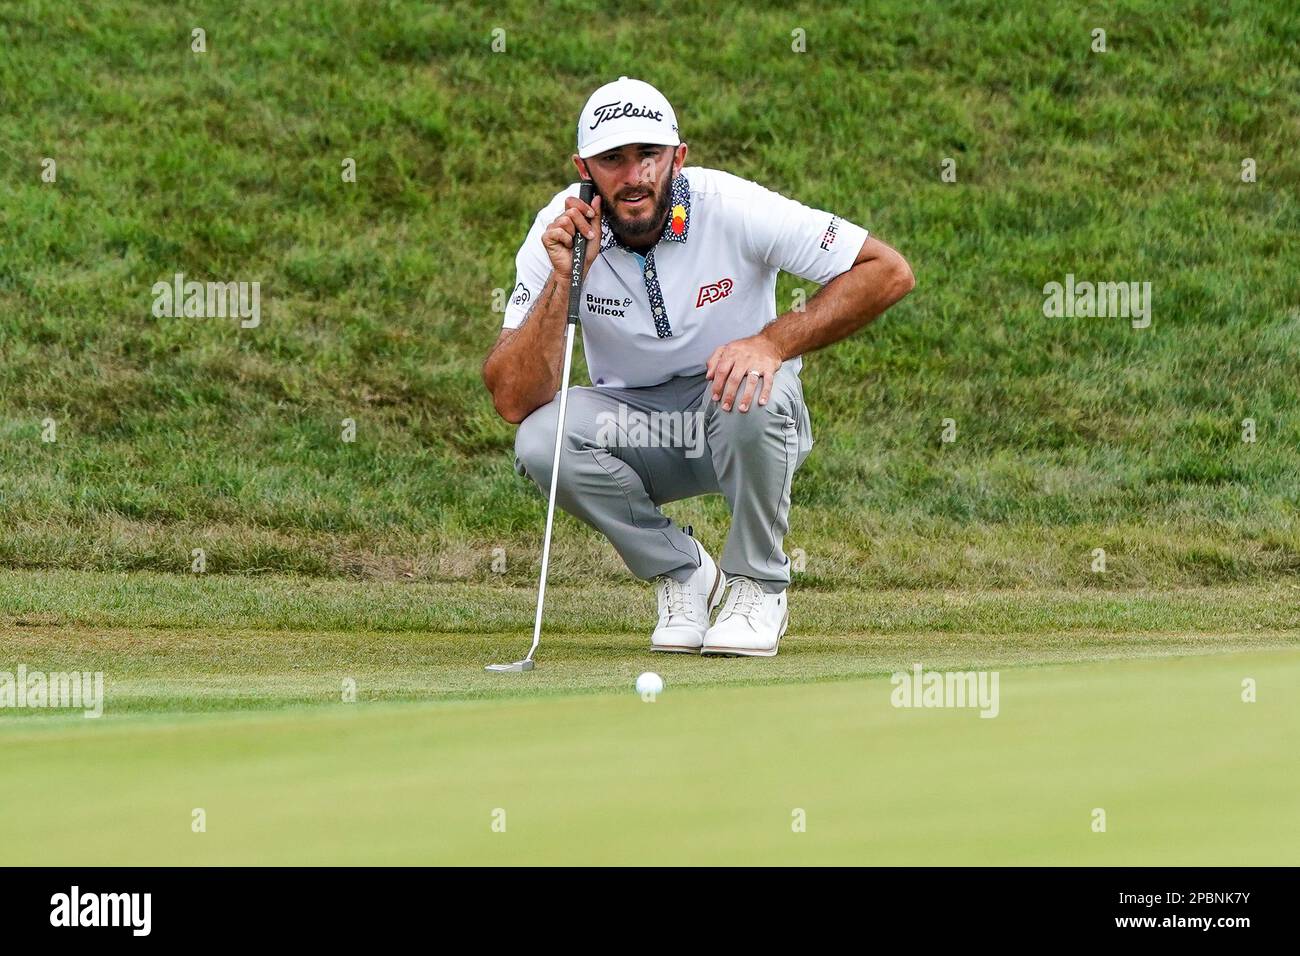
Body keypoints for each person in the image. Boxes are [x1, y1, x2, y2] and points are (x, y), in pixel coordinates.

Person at [483, 77, 914, 657]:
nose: (633, 175)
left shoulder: (734, 208)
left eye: (648, 156)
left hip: (740, 418)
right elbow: (513, 399)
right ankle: (682, 569)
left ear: (678, 158)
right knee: (540, 440)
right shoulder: (559, 233)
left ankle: (757, 585)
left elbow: (887, 270)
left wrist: (771, 341)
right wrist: (563, 282)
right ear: (585, 168)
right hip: (640, 431)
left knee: (752, 385)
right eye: (613, 159)